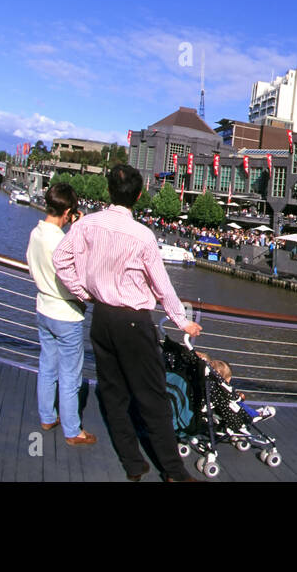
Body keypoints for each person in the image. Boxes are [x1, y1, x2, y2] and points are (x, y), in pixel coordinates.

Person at [53, 164, 202, 482]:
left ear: (108, 191)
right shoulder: (143, 236)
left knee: (113, 392)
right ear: (137, 195)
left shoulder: (87, 225)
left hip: (102, 317)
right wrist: (182, 322)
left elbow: (59, 260)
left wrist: (84, 292)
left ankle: (133, 464)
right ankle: (174, 471)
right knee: (152, 396)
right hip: (134, 323)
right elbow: (163, 286)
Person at [26, 182, 95, 446]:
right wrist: (79, 228)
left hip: (43, 307)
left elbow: (33, 268)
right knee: (70, 375)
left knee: (47, 365)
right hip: (66, 313)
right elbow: (81, 273)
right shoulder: (62, 242)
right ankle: (72, 431)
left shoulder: (35, 233)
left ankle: (46, 416)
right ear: (67, 212)